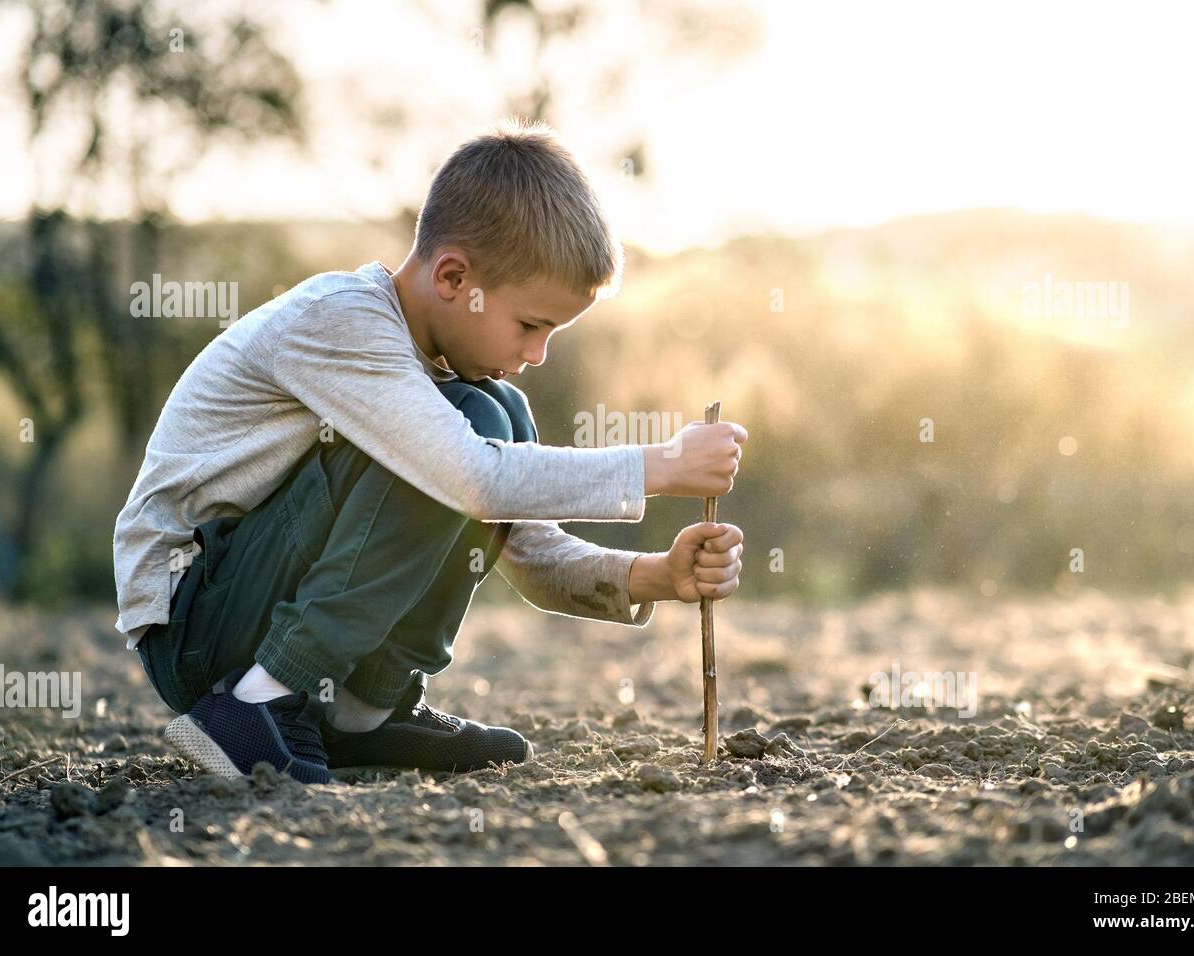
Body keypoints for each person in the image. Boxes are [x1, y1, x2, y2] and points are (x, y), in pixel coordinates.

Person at [113, 118, 747, 784]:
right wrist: (660, 466)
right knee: (468, 424)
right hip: (196, 625)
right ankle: (256, 706)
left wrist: (656, 575)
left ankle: (360, 712)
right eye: (531, 325)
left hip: (250, 605)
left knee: (491, 412)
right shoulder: (342, 321)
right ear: (451, 276)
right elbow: (471, 476)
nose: (537, 354)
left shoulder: (464, 388)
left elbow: (529, 553)